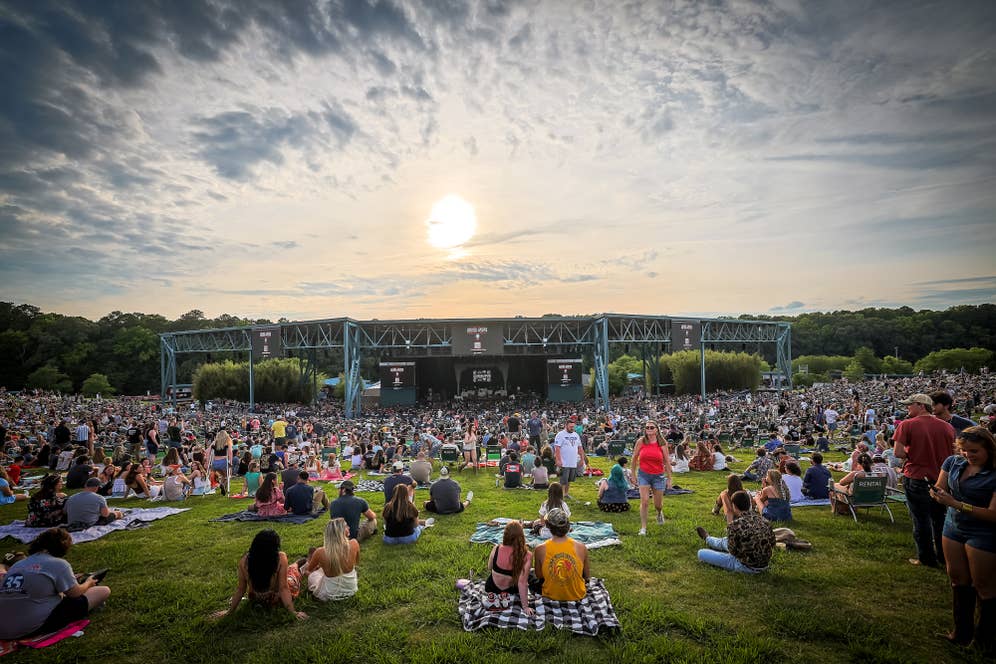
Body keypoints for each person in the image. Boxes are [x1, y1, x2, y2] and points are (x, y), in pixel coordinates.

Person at [929, 426, 996, 649]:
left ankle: (984, 639)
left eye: (974, 451)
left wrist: (956, 504)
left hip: (984, 531)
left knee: (984, 584)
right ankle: (961, 632)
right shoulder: (953, 462)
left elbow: (993, 514)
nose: (968, 455)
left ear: (989, 449)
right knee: (958, 578)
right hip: (954, 526)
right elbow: (941, 485)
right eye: (964, 450)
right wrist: (937, 493)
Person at [0, 527, 111, 639]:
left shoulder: (17, 565)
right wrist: (88, 583)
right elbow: (75, 593)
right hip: (27, 628)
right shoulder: (58, 563)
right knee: (103, 591)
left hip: (3, 628)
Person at [893, 393, 956, 567]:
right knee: (940, 519)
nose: (907, 408)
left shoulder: (907, 425)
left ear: (921, 405)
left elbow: (898, 453)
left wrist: (911, 454)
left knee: (921, 520)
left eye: (910, 404)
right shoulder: (947, 427)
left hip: (917, 476)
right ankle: (945, 556)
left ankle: (926, 558)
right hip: (942, 479)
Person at [211, 529, 306, 621]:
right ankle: (297, 564)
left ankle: (296, 565)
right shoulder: (280, 557)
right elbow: (283, 588)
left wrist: (229, 612)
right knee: (292, 574)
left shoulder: (244, 561)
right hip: (276, 598)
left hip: (255, 598)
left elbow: (241, 589)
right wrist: (293, 612)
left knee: (287, 571)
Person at [695, 490, 775, 574]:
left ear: (734, 506)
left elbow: (732, 551)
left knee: (701, 553)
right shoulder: (764, 521)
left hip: (744, 565)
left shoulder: (735, 525)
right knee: (726, 541)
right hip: (764, 564)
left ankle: (708, 539)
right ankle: (708, 539)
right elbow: (773, 543)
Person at [533, 508, 589, 601]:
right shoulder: (581, 547)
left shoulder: (540, 549)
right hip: (577, 594)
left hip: (550, 594)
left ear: (548, 526)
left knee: (531, 575)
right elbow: (587, 576)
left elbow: (539, 575)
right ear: (568, 526)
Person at [301, 518, 360, 601]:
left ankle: (308, 561)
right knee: (322, 570)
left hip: (329, 594)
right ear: (340, 531)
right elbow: (356, 562)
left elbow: (309, 571)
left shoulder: (320, 551)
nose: (349, 527)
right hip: (351, 590)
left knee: (311, 574)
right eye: (346, 526)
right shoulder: (354, 543)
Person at [630, 420, 671, 536]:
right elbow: (634, 458)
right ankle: (643, 528)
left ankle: (659, 513)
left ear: (656, 429)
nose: (649, 429)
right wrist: (633, 474)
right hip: (644, 475)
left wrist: (669, 478)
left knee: (658, 504)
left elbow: (667, 462)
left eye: (651, 427)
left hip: (658, 476)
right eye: (647, 427)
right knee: (645, 501)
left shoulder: (662, 443)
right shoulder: (641, 441)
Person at [484, 521, 534, 615]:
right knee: (530, 575)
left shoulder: (496, 548)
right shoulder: (527, 555)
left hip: (491, 587)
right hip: (511, 590)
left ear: (505, 535)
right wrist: (525, 607)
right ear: (522, 536)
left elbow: (489, 567)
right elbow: (522, 583)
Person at [553, 416, 585, 498]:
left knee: (569, 479)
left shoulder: (576, 435)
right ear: (566, 425)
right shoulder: (560, 435)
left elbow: (580, 448)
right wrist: (558, 460)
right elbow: (557, 448)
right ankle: (560, 495)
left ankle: (566, 493)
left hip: (573, 461)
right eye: (570, 427)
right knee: (563, 480)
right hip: (564, 461)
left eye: (573, 427)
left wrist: (582, 459)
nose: (572, 428)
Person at [210, 429, 232, 496]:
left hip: (215, 463)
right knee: (228, 475)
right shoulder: (226, 444)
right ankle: (223, 485)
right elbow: (230, 453)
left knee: (223, 475)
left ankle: (223, 487)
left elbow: (210, 450)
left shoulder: (215, 443)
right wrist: (231, 462)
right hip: (223, 462)